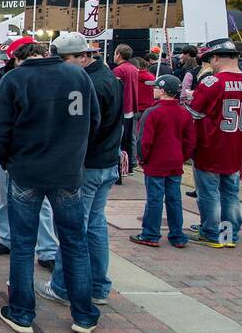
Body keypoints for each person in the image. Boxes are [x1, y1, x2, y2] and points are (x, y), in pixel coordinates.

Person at [0, 31, 100, 333]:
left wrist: (7, 159)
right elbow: (94, 122)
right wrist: (76, 153)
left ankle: (22, 313)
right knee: (75, 243)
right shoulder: (78, 77)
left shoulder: (14, 80)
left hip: (27, 171)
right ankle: (84, 315)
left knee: (24, 245)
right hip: (67, 172)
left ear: (18, 57)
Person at [43, 34, 123, 308]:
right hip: (105, 162)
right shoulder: (106, 77)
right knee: (95, 225)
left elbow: (85, 128)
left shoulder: (89, 83)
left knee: (74, 228)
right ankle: (98, 286)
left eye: (64, 60)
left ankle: (64, 286)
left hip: (89, 164)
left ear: (82, 57)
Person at [0, 38, 58, 265]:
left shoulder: (52, 79)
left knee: (40, 202)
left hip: (33, 150)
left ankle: (47, 249)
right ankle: (9, 239)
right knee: (7, 197)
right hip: (17, 149)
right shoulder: (5, 79)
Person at [188, 38, 242, 248]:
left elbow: (194, 113)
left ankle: (211, 232)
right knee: (231, 193)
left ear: (215, 57)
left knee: (209, 193)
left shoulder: (212, 82)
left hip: (211, 145)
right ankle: (228, 235)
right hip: (237, 145)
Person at [130, 74, 196, 247]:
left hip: (156, 163)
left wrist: (142, 159)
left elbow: (144, 141)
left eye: (156, 87)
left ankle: (151, 234)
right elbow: (190, 141)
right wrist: (182, 157)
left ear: (163, 90)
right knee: (174, 199)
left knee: (155, 199)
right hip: (175, 162)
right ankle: (177, 235)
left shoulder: (152, 112)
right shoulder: (184, 112)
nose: (153, 90)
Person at [111, 44, 143, 173]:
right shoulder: (134, 69)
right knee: (129, 139)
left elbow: (115, 91)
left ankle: (121, 166)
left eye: (115, 53)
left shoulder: (119, 70)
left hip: (122, 107)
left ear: (118, 54)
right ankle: (129, 165)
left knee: (119, 140)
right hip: (131, 107)